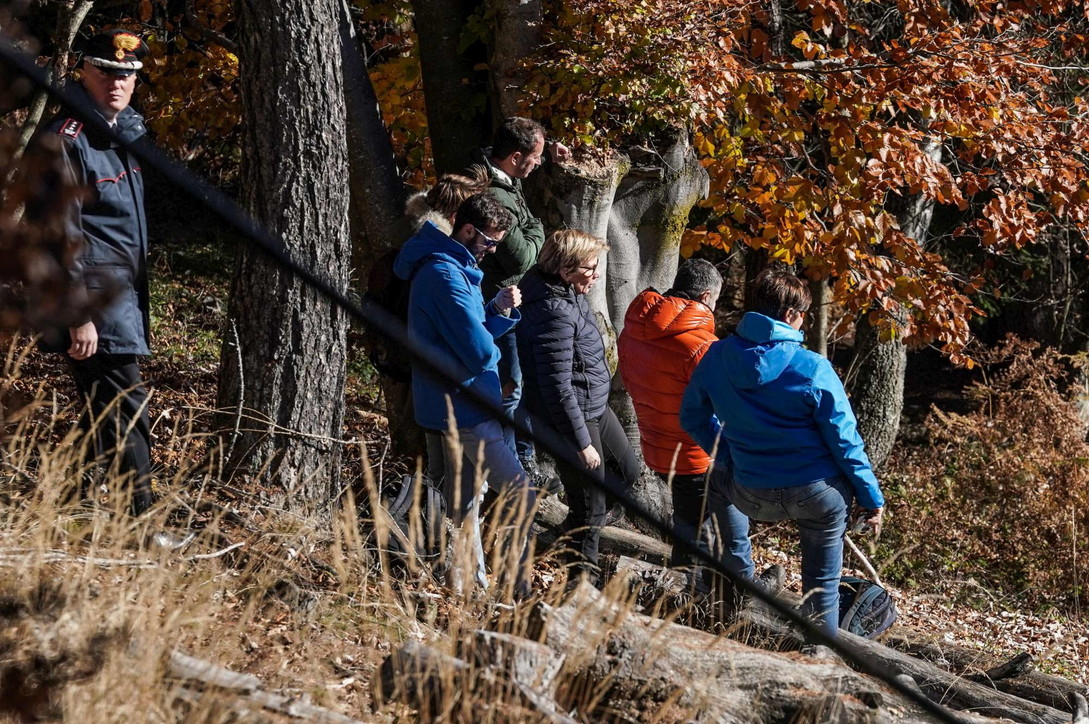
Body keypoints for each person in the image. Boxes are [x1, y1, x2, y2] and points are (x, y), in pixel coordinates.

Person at [680, 268, 885, 637]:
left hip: (749, 491)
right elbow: (845, 441)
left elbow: (691, 417)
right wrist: (871, 499)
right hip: (815, 494)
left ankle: (738, 579)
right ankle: (819, 655)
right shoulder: (812, 367)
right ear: (791, 315)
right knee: (821, 584)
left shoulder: (715, 357)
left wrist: (729, 453)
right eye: (803, 314)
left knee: (717, 480)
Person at [34, 30, 160, 522]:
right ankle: (141, 526)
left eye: (128, 74)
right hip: (92, 300)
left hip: (123, 294)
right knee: (127, 410)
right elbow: (57, 235)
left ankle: (64, 508)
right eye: (106, 70)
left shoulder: (125, 132)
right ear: (82, 71)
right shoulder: (65, 140)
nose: (117, 81)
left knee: (100, 413)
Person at [393, 193, 536, 598]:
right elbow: (477, 350)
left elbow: (469, 335)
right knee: (520, 491)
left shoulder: (457, 267)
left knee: (467, 503)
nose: (492, 250)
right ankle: (518, 587)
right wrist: (492, 347)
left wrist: (497, 310)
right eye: (489, 241)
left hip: (463, 401)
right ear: (467, 229)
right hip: (464, 406)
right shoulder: (444, 275)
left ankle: (466, 588)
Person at [517, 230, 639, 585]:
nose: (597, 273)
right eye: (591, 267)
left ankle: (572, 533)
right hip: (572, 417)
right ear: (566, 268)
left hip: (595, 405)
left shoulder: (567, 291)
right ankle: (581, 581)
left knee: (627, 473)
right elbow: (556, 387)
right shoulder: (551, 311)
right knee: (590, 505)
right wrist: (580, 442)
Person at [474, 117, 568, 484]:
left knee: (520, 386)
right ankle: (511, 471)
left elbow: (527, 234)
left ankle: (524, 458)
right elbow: (520, 257)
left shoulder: (505, 178)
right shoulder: (495, 195)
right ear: (515, 157)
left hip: (513, 302)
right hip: (503, 304)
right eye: (535, 157)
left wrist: (552, 142)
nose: (538, 163)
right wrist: (538, 231)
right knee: (509, 390)